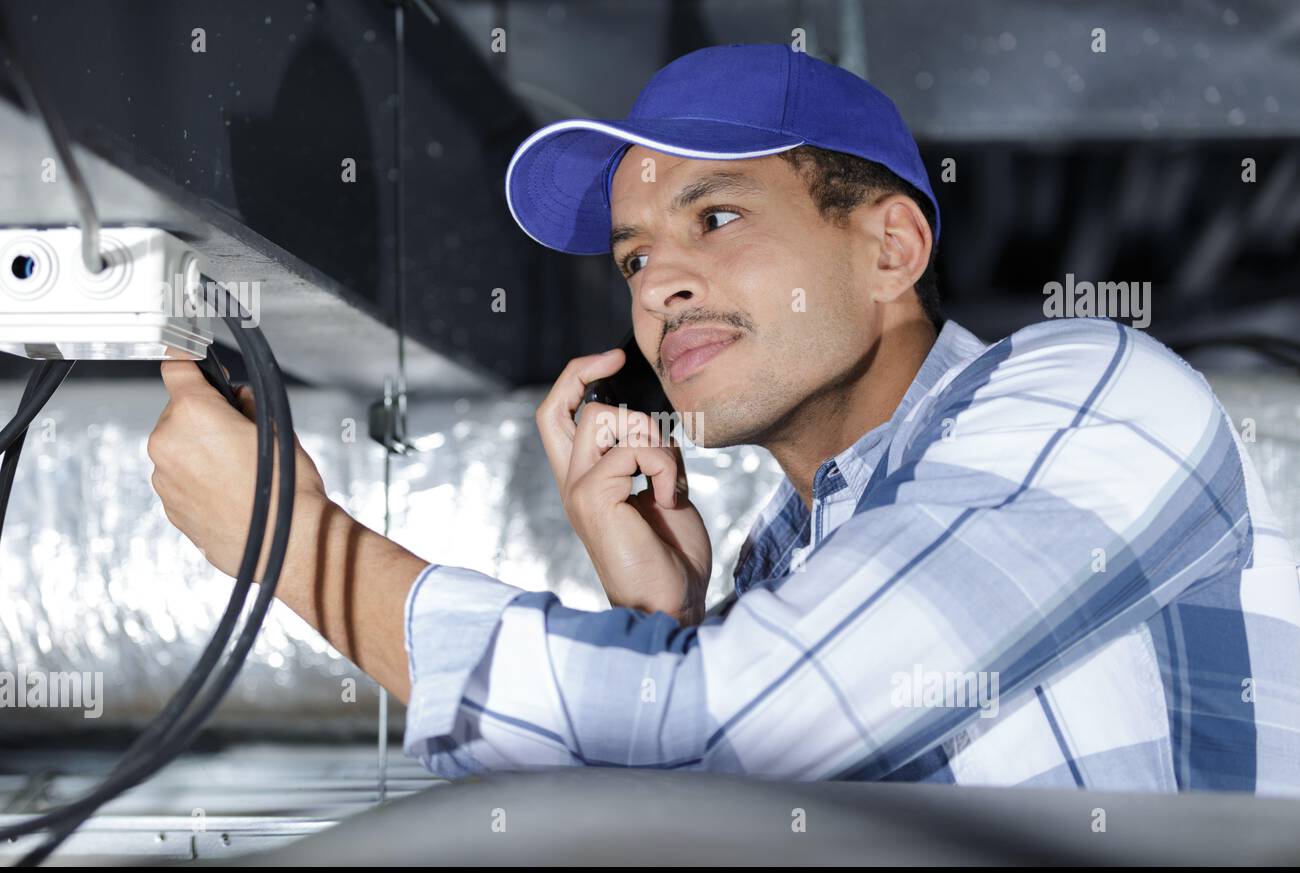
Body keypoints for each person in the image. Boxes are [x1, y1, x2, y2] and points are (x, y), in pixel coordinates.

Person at [148, 44, 1300, 792]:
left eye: (717, 217)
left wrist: (300, 546)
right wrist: (669, 619)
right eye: (636, 254)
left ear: (890, 247)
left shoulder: (1089, 389)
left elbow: (741, 724)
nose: (657, 285)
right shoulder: (781, 564)